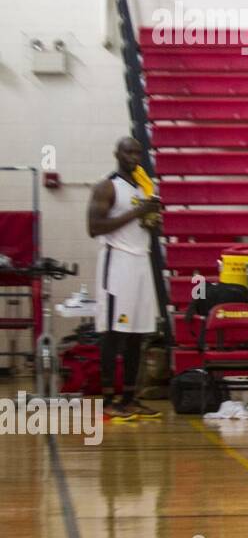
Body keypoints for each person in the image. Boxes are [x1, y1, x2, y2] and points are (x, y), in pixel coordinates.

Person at [87, 137, 163, 420]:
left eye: (137, 152)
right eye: (128, 151)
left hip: (141, 261)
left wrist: (152, 219)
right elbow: (94, 227)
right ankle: (108, 400)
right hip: (116, 261)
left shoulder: (144, 187)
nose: (133, 156)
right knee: (113, 334)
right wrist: (138, 212)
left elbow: (145, 224)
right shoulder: (106, 186)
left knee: (137, 335)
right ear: (116, 153)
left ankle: (130, 399)